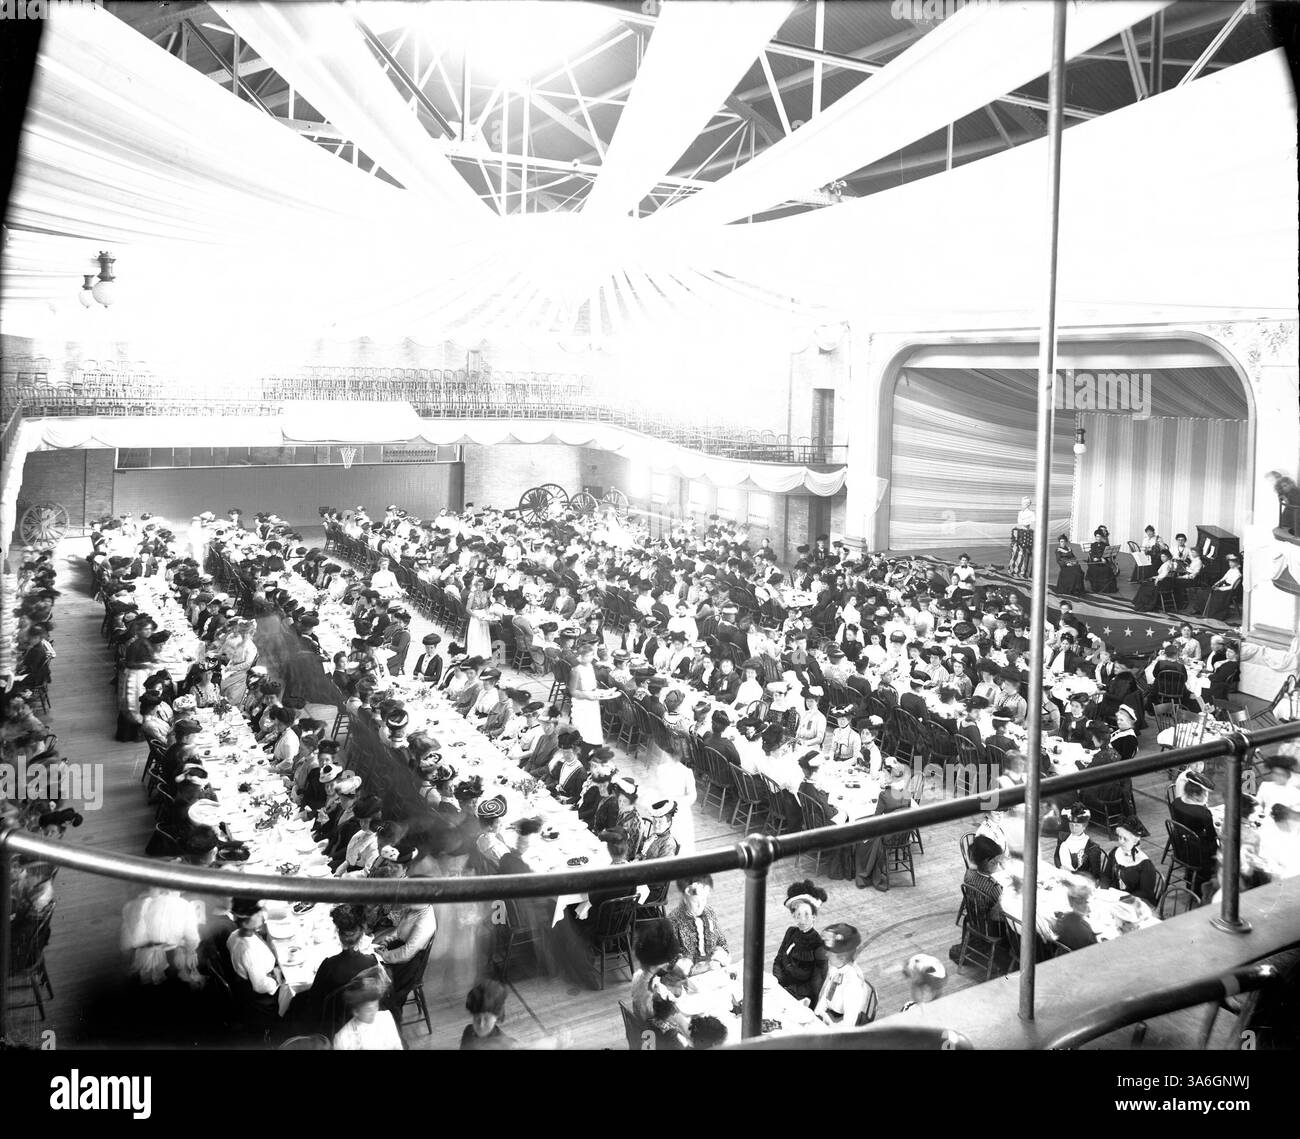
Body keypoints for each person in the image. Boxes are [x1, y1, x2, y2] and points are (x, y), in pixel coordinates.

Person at [772, 880, 829, 1003]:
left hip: (801, 998)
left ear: (814, 917)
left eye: (807, 915)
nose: (802, 920)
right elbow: (778, 960)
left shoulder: (819, 946)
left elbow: (815, 984)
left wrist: (790, 991)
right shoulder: (791, 932)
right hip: (780, 987)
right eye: (798, 915)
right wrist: (777, 982)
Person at [811, 924, 875, 1029]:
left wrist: (829, 1026)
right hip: (828, 1015)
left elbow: (848, 1024)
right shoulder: (836, 968)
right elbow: (826, 996)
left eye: (830, 953)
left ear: (842, 957)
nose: (826, 955)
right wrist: (817, 1014)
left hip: (839, 1024)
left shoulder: (852, 984)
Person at [668, 875, 730, 976]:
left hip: (713, 970)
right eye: (695, 902)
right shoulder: (673, 921)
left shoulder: (709, 912)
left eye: (704, 900)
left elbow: (721, 941)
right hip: (688, 978)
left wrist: (718, 958)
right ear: (684, 897)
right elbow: (670, 960)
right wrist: (702, 968)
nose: (701, 906)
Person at [1169, 770, 1218, 895]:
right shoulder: (1203, 813)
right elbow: (1212, 836)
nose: (1207, 796)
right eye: (1205, 793)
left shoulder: (1176, 803)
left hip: (1181, 846)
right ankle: (1208, 887)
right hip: (1198, 854)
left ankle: (1190, 877)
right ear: (1196, 794)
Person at [333, 975, 403, 1051]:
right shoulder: (343, 1039)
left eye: (376, 1006)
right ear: (356, 1012)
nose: (375, 1012)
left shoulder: (386, 1018)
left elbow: (397, 1046)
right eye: (369, 1010)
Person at [1101, 816, 1160, 906]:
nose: (1121, 842)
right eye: (1119, 837)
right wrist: (1103, 890)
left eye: (1125, 839)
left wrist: (1123, 900)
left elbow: (1145, 893)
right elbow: (1106, 876)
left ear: (1135, 841)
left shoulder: (1145, 864)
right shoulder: (1115, 853)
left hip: (1137, 903)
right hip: (1116, 898)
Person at [568, 640, 617, 747]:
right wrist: (587, 695)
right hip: (582, 704)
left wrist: (605, 692)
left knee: (593, 732)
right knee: (583, 732)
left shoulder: (590, 667)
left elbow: (592, 686)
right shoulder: (576, 670)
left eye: (591, 655)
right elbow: (573, 691)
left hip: (592, 702)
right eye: (588, 656)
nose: (590, 658)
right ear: (582, 656)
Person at [460, 979, 518, 1050]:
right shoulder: (468, 1032)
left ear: (497, 1017)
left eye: (487, 1019)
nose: (481, 1025)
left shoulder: (506, 1046)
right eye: (476, 1018)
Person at [1053, 804, 1104, 879]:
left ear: (1084, 827)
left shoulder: (1092, 847)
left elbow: (1095, 874)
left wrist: (1071, 873)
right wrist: (1060, 867)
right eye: (1071, 825)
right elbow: (1056, 856)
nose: (1073, 829)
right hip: (1063, 876)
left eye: (1077, 826)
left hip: (1082, 881)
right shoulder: (1063, 837)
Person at [1086, 528, 1118, 593]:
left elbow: (1108, 554)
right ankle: (1097, 588)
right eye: (1097, 536)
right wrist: (1096, 558)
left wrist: (1106, 558)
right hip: (1095, 562)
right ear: (1095, 537)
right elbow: (1092, 554)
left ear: (1101, 537)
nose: (1098, 538)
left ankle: (1107, 588)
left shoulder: (1105, 545)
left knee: (1108, 570)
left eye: (1100, 536)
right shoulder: (1093, 545)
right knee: (1096, 570)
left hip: (1104, 562)